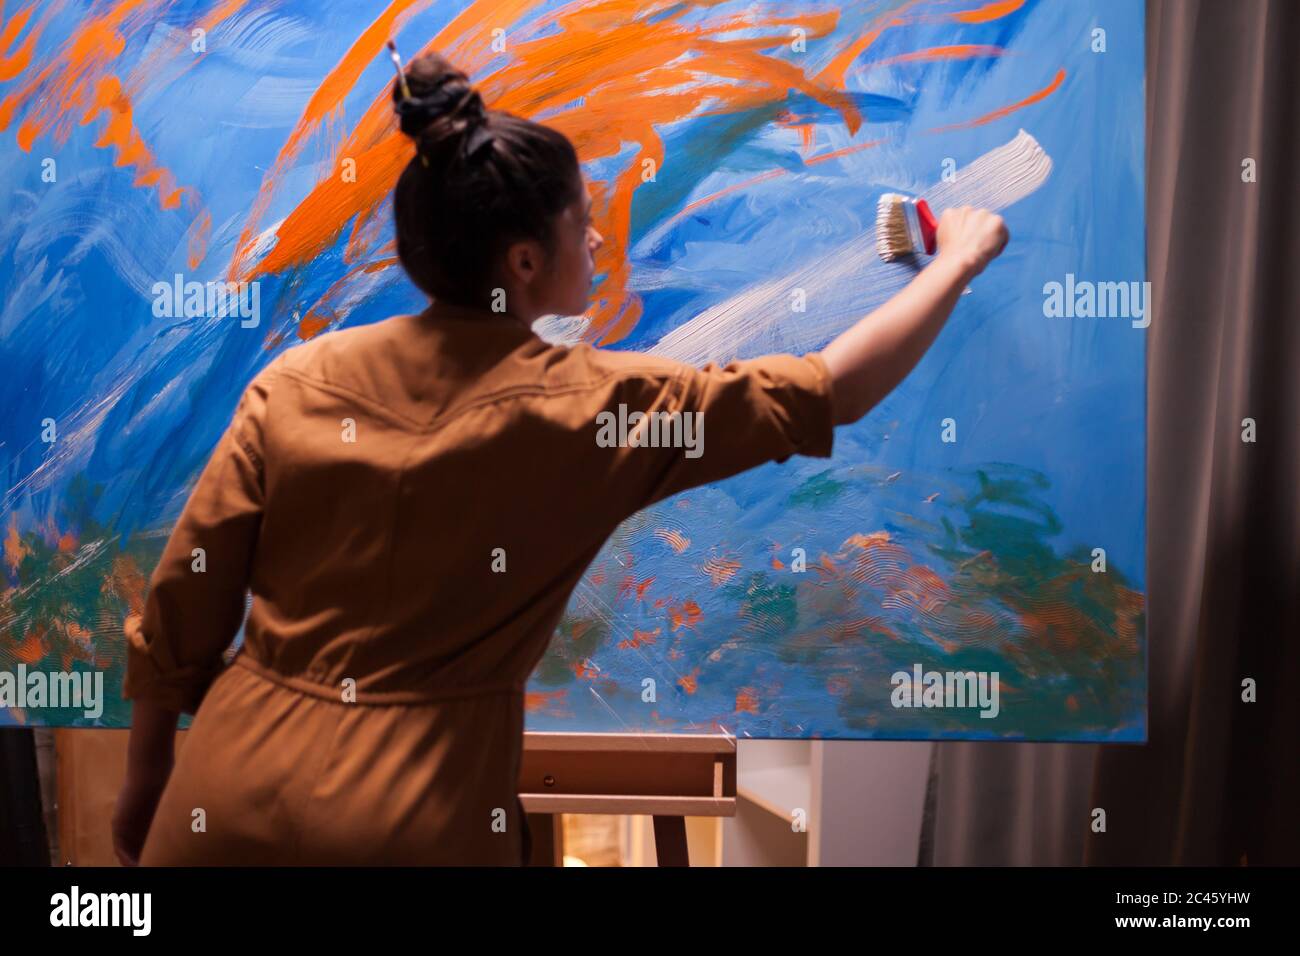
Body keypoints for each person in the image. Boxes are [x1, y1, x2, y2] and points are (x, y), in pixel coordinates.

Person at [112, 52, 1007, 866]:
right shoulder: (596, 413)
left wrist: (147, 785)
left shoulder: (297, 381)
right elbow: (829, 390)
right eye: (585, 223)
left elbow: (184, 600)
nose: (600, 241)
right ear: (527, 260)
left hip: (220, 803)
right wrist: (954, 261)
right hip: (412, 816)